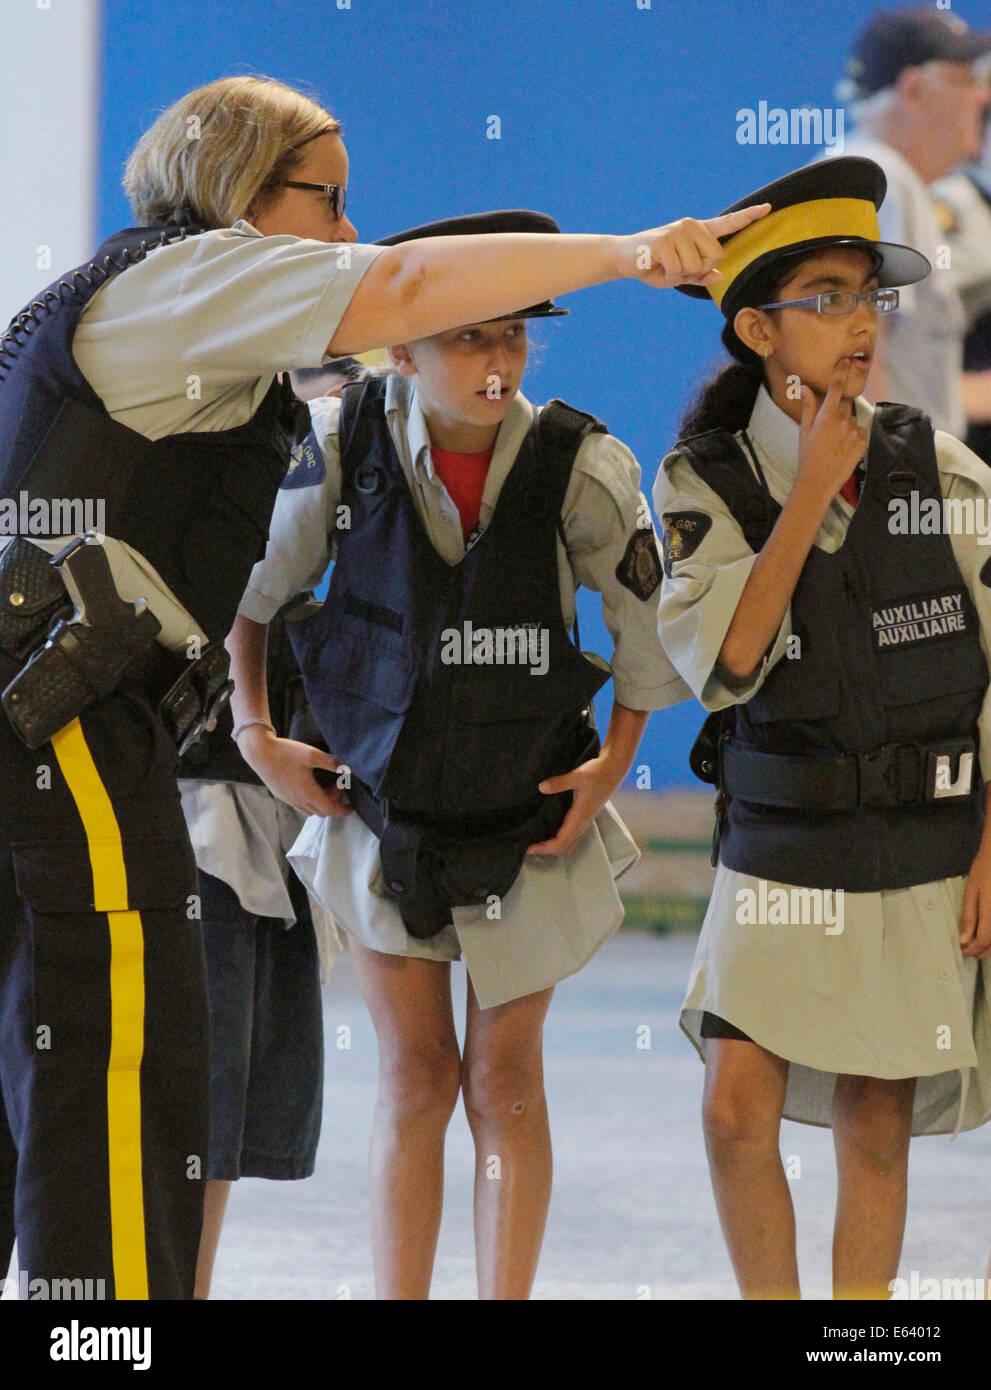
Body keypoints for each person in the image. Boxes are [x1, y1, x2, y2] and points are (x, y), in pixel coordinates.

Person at [0, 74, 768, 1300]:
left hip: (67, 712)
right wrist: (635, 250)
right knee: (115, 1065)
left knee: (49, 1066)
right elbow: (403, 291)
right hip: (66, 724)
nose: (352, 234)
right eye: (331, 201)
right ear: (240, 194)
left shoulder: (164, 309)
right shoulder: (198, 277)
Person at [226, 209, 693, 1300]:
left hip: (530, 812)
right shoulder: (338, 442)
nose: (496, 364)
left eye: (514, 338)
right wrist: (256, 732)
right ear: (403, 347)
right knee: (416, 1077)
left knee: (505, 1079)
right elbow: (255, 596)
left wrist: (614, 763)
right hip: (381, 808)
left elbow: (643, 630)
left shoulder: (581, 464)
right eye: (469, 337)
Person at [654, 157, 991, 1301]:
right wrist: (807, 494)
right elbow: (727, 661)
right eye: (829, 298)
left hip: (921, 836)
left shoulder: (941, 467)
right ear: (755, 328)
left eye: (868, 295)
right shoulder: (700, 479)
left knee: (876, 1118)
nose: (860, 323)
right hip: (781, 838)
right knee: (733, 1110)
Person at [834, 4, 991, 436]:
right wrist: (887, 490)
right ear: (915, 89)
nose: (982, 97)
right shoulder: (879, 182)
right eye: (965, 80)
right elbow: (856, 355)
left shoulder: (889, 180)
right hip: (894, 488)